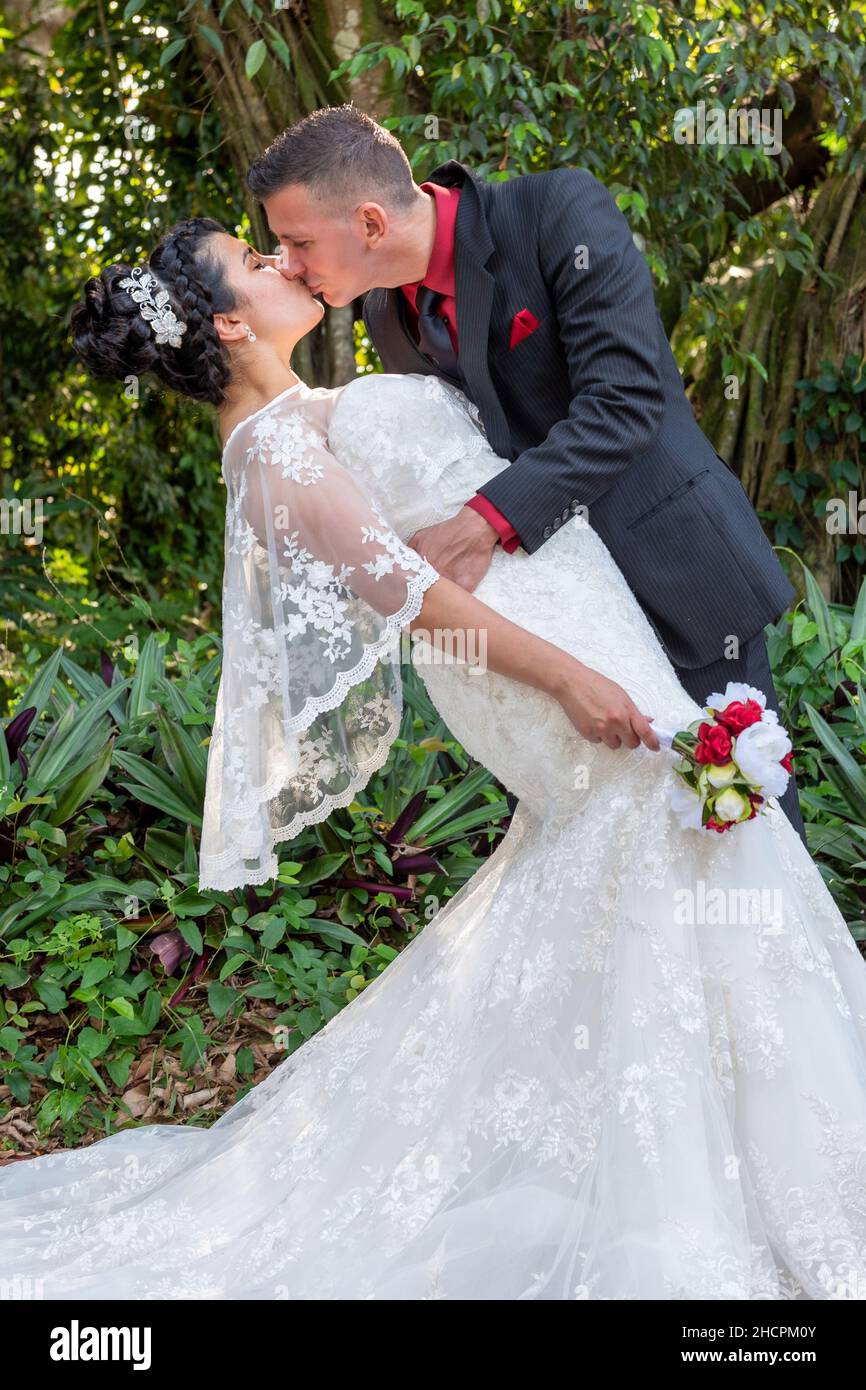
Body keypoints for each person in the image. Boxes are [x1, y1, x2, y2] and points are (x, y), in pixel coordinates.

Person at [2, 214, 864, 1302]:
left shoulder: (299, 413)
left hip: (575, 623)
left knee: (669, 855)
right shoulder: (266, 452)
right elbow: (413, 600)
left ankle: (741, 1162)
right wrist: (564, 677)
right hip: (536, 663)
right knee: (672, 834)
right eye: (255, 260)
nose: (280, 264)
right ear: (227, 318)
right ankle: (735, 1188)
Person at [245, 104, 806, 843]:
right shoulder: (385, 313)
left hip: (674, 575)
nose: (289, 263)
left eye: (297, 241)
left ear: (372, 224)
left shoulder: (555, 211)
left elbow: (627, 400)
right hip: (561, 625)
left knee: (752, 837)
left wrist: (483, 522)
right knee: (618, 848)